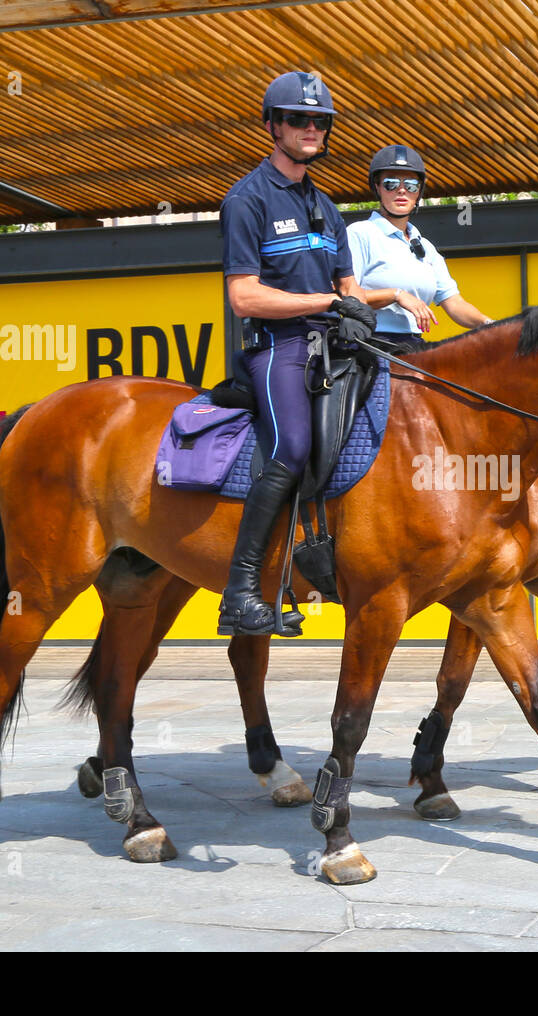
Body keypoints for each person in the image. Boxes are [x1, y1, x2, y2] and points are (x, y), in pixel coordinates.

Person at [216, 70, 376, 638]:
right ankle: (240, 589)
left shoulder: (326, 206)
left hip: (332, 345)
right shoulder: (247, 199)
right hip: (277, 348)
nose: (311, 128)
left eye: (319, 121)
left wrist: (355, 309)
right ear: (272, 126)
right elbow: (243, 296)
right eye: (297, 119)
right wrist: (328, 301)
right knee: (294, 445)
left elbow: (347, 283)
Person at [347, 144, 492, 352]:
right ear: (377, 187)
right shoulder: (360, 234)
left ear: (419, 192)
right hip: (369, 345)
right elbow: (345, 296)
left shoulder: (426, 247)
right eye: (391, 183)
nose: (402, 190)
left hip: (413, 347)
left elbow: (455, 304)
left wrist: (493, 325)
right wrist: (396, 295)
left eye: (412, 185)